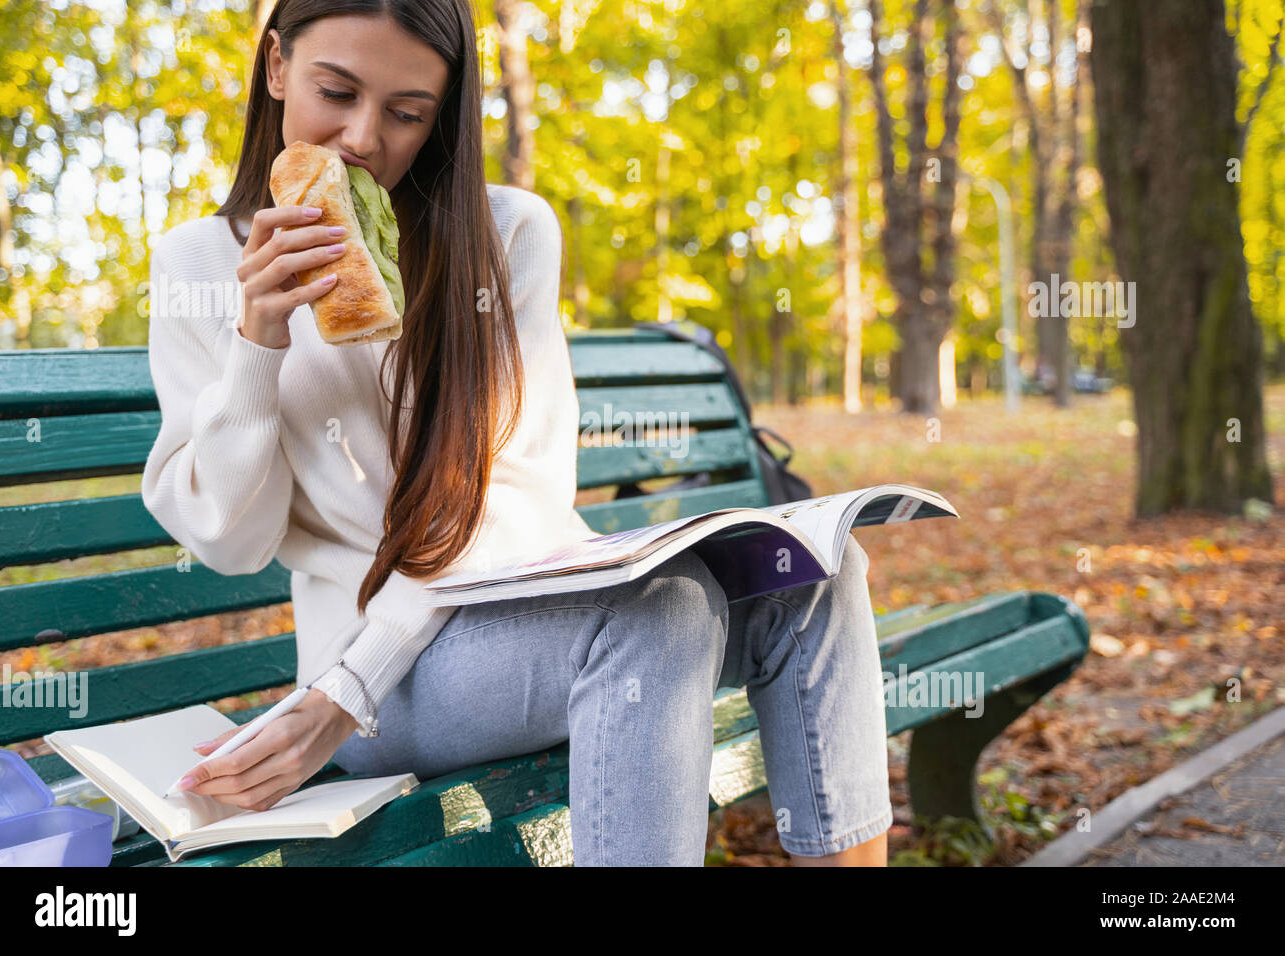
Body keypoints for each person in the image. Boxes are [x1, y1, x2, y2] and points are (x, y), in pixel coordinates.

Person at [140, 0, 891, 866]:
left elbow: (516, 500)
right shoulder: (197, 264)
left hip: (512, 616)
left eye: (407, 113)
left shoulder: (508, 235)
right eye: (335, 92)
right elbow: (230, 543)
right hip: (377, 679)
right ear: (276, 68)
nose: (360, 137)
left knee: (819, 572)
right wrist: (258, 346)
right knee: (665, 617)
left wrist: (346, 690)